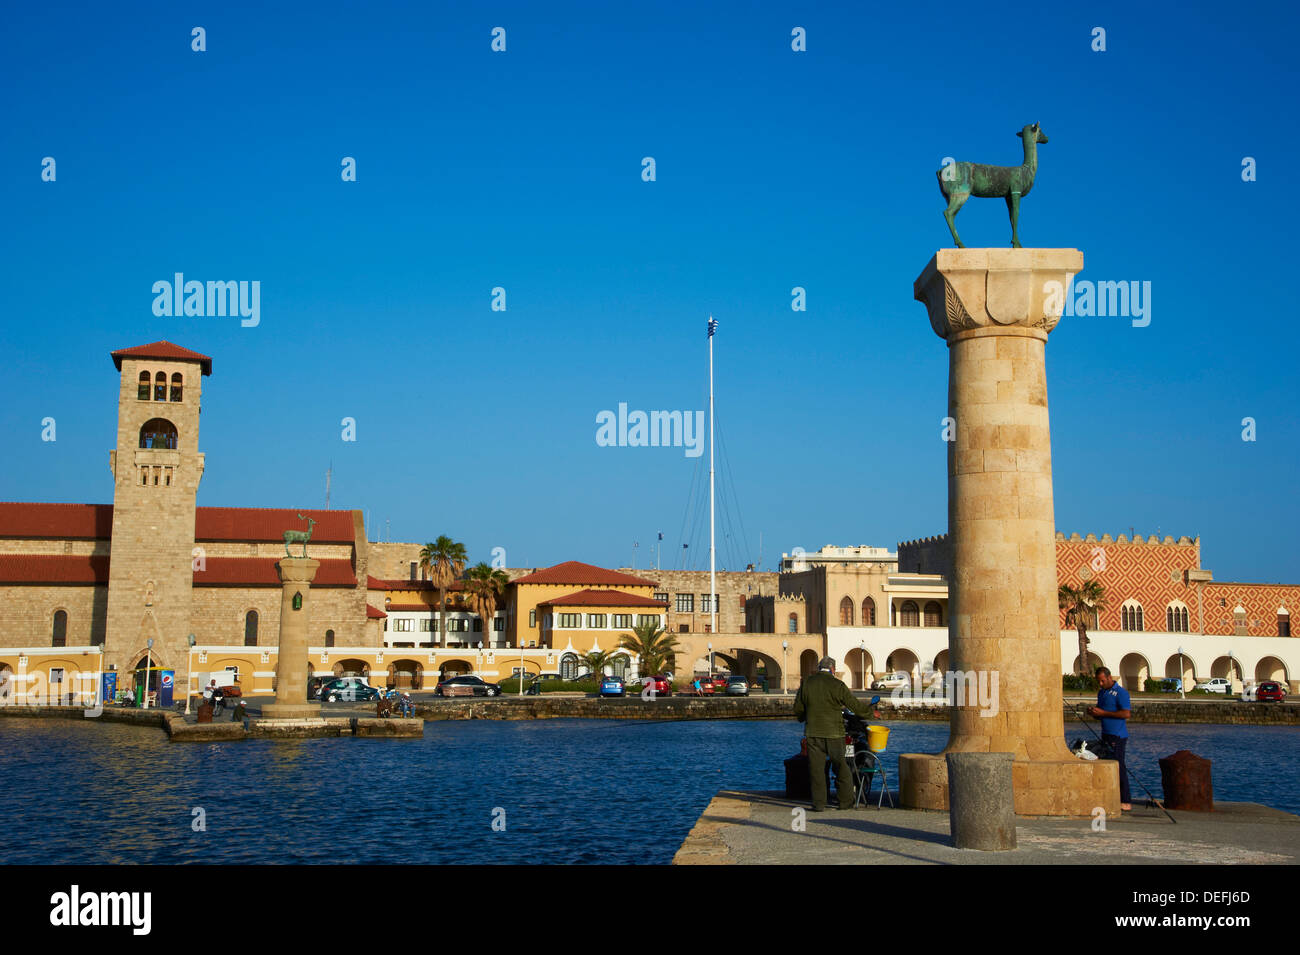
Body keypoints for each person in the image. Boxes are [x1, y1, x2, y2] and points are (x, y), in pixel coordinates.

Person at [793, 656, 875, 811]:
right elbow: (854, 705)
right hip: (834, 734)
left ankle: (818, 804)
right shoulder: (838, 684)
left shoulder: (807, 684)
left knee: (816, 770)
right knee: (841, 768)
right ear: (832, 669)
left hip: (813, 733)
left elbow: (798, 708)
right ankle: (845, 802)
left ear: (819, 668)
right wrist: (870, 713)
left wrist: (803, 718)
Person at [1087, 666, 1132, 811]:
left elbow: (1126, 714)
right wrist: (1094, 713)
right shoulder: (1102, 693)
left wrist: (1104, 713)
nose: (1100, 684)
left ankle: (1125, 800)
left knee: (1119, 767)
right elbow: (1101, 712)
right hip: (1105, 734)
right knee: (1105, 766)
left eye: (1102, 681)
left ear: (1109, 677)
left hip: (1117, 736)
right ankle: (1110, 796)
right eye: (1098, 682)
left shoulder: (1121, 693)